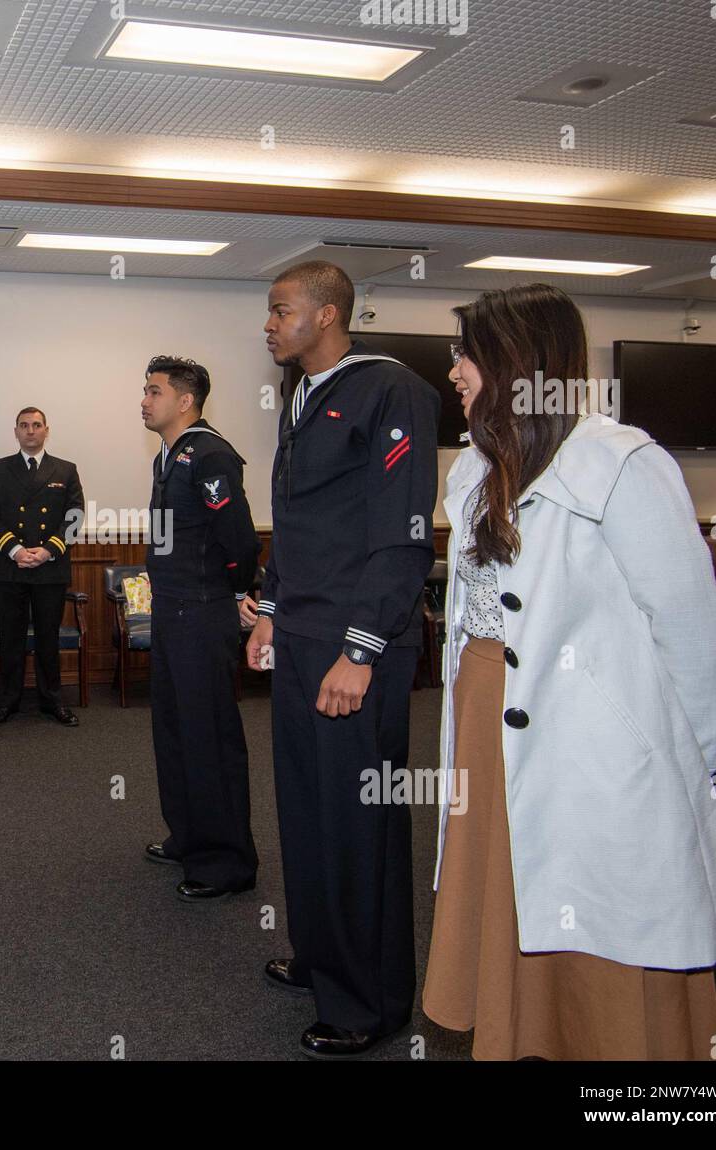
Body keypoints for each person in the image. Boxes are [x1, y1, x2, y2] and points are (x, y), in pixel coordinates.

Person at [422, 283, 716, 1060]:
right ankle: (523, 1039)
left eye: (465, 353)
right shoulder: (475, 470)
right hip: (484, 717)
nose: (454, 372)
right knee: (509, 897)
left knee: (606, 911)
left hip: (596, 740)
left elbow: (692, 628)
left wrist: (694, 764)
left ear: (515, 361)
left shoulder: (623, 463)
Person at [245, 260, 440, 1058]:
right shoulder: (303, 393)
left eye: (280, 310)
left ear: (327, 315)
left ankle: (370, 1001)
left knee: (358, 823)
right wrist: (269, 612)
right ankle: (324, 957)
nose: (269, 324)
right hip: (300, 638)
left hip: (358, 646)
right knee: (307, 807)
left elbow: (402, 534)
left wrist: (361, 650)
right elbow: (297, 525)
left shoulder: (390, 390)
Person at [139, 356, 261, 901]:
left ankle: (226, 861)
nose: (144, 400)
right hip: (171, 607)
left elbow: (237, 535)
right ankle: (188, 836)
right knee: (174, 728)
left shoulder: (209, 453)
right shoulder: (171, 455)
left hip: (202, 609)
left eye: (154, 391)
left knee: (208, 734)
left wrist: (239, 592)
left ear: (184, 401)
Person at [0, 407, 85, 727]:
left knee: (48, 639)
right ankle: (7, 702)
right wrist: (14, 548)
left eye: (36, 425)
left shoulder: (65, 470)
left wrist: (49, 550)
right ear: (16, 432)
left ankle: (53, 701)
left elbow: (75, 514)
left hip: (49, 568)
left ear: (46, 430)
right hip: (11, 567)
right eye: (24, 426)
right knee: (10, 638)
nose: (30, 431)